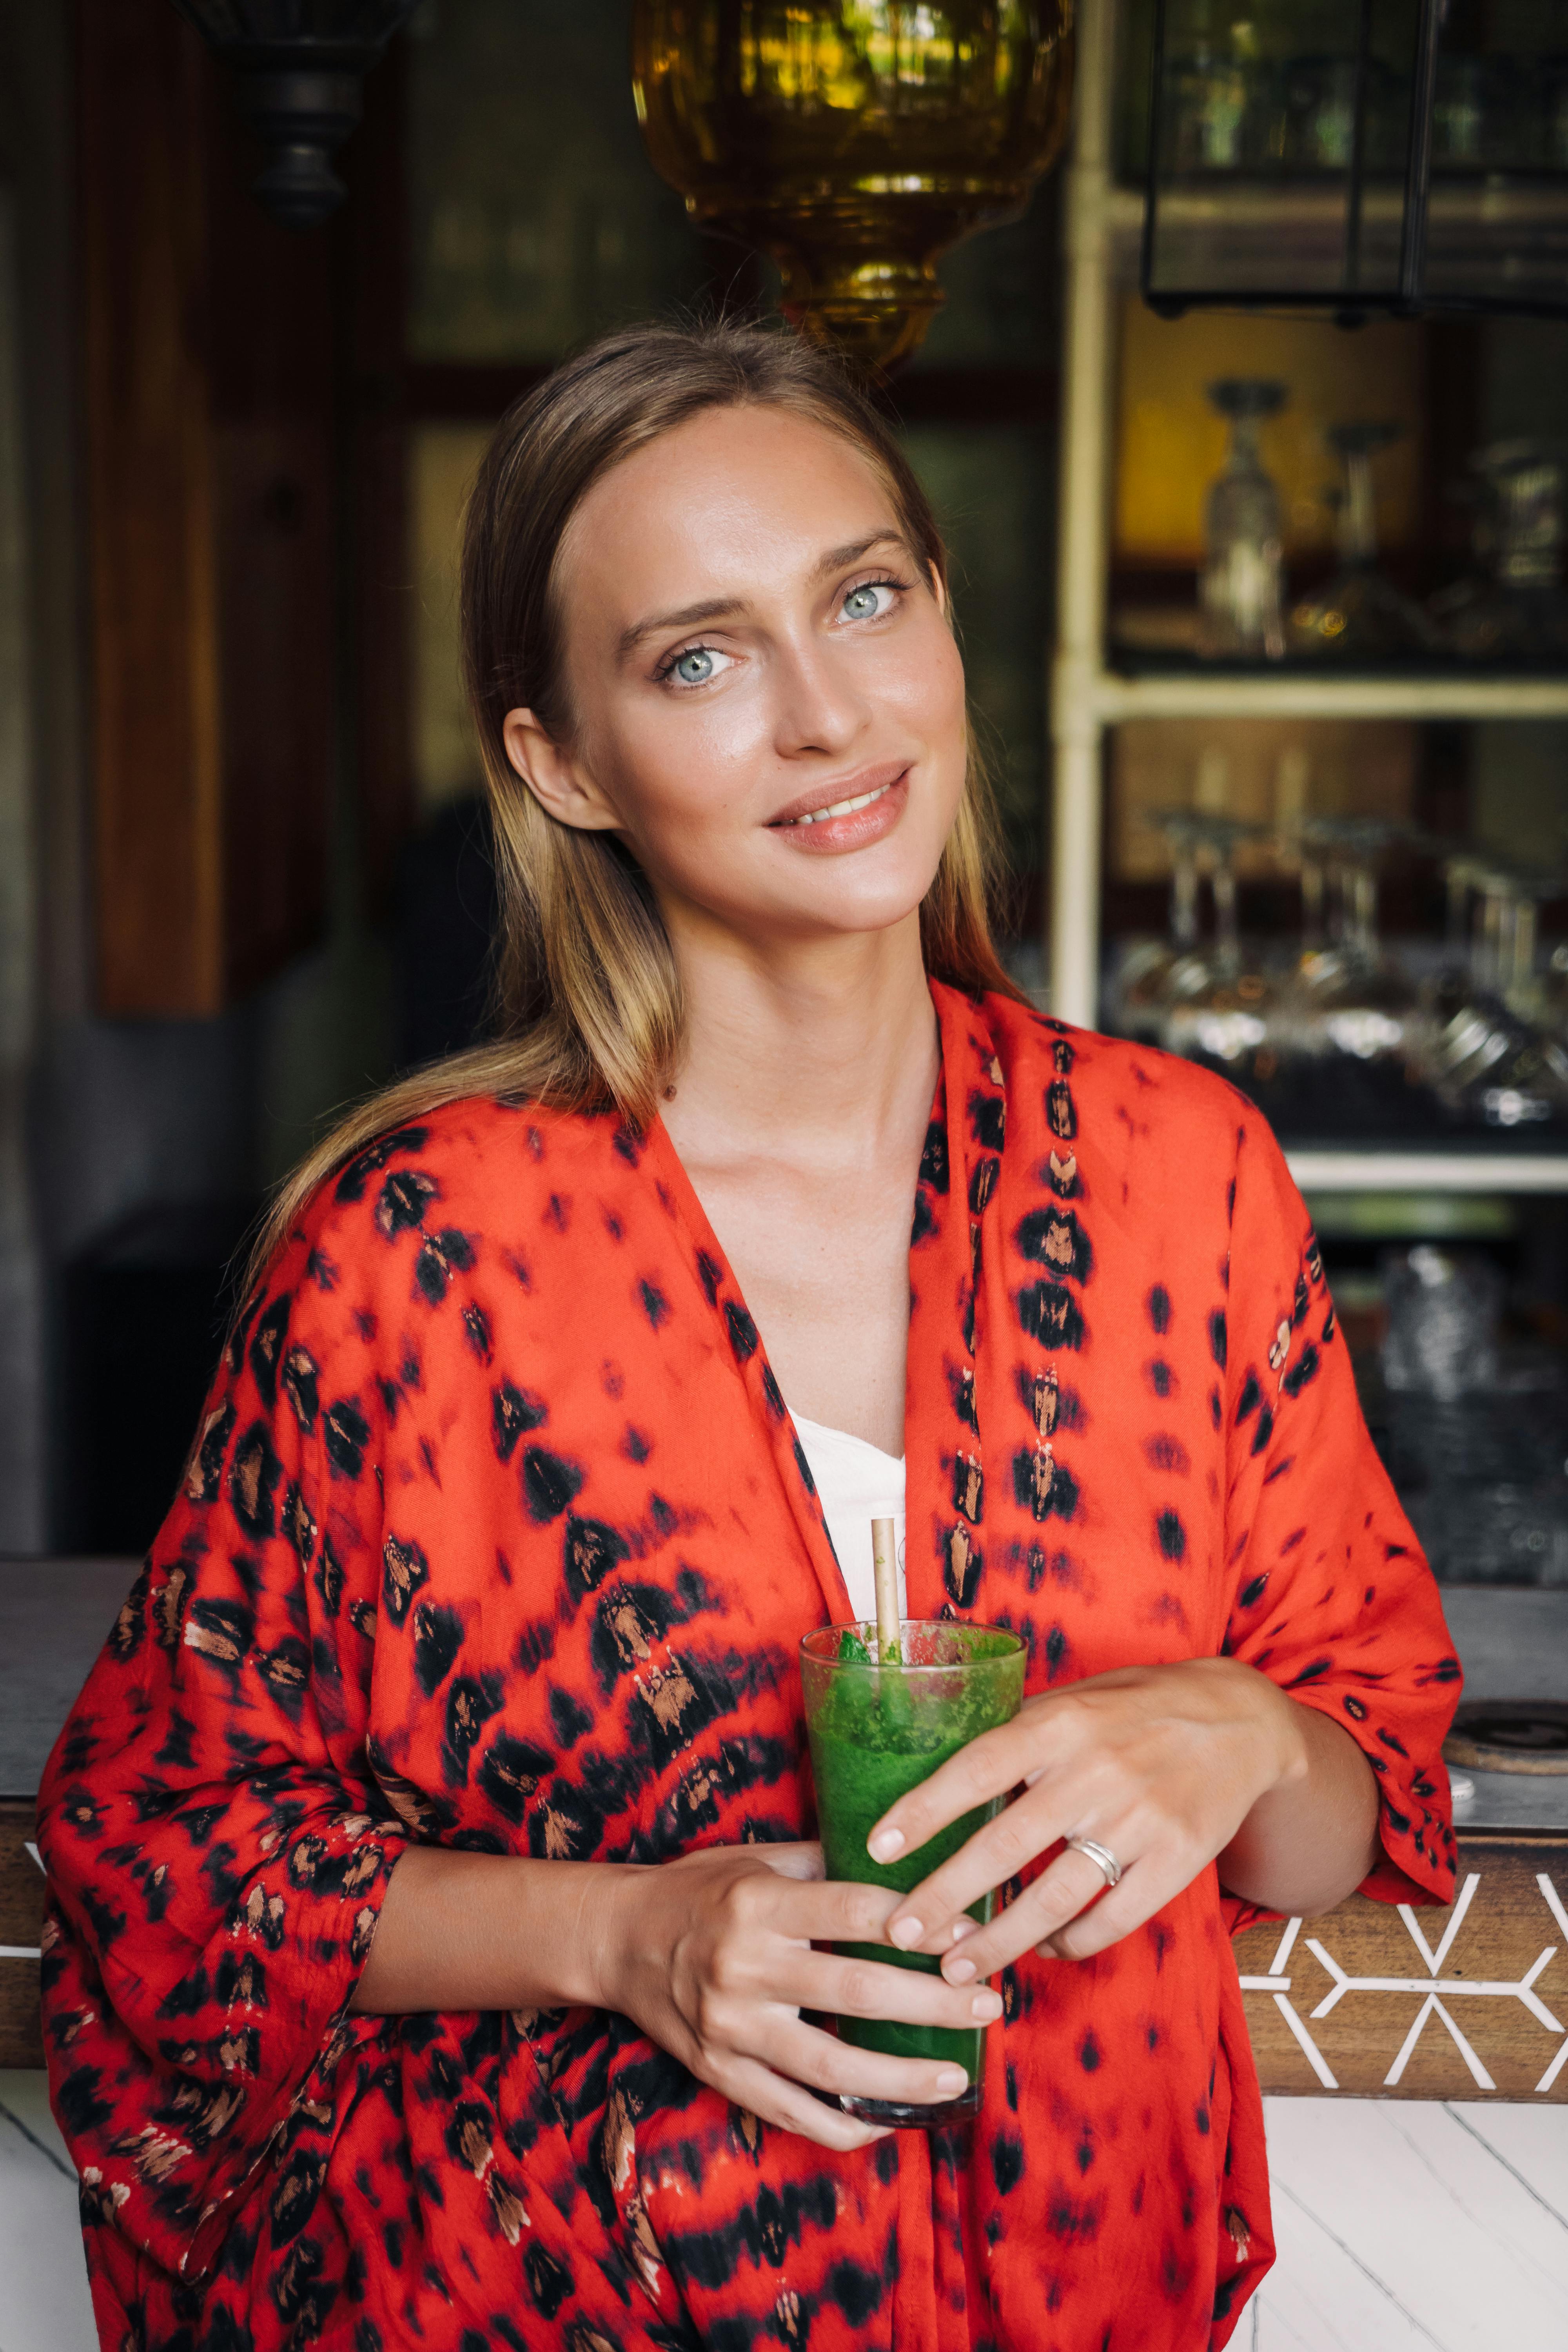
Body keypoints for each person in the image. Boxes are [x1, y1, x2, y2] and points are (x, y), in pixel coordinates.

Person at [39, 319, 1460, 2352]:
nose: (826, 714)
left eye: (863, 599)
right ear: (561, 763)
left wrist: (1238, 1725)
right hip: (544, 2299)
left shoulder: (1183, 1177)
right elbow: (170, 1862)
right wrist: (632, 1934)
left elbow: (1347, 1810)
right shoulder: (420, 1256)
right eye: (699, 660)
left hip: (1080, 2297)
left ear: (942, 616)